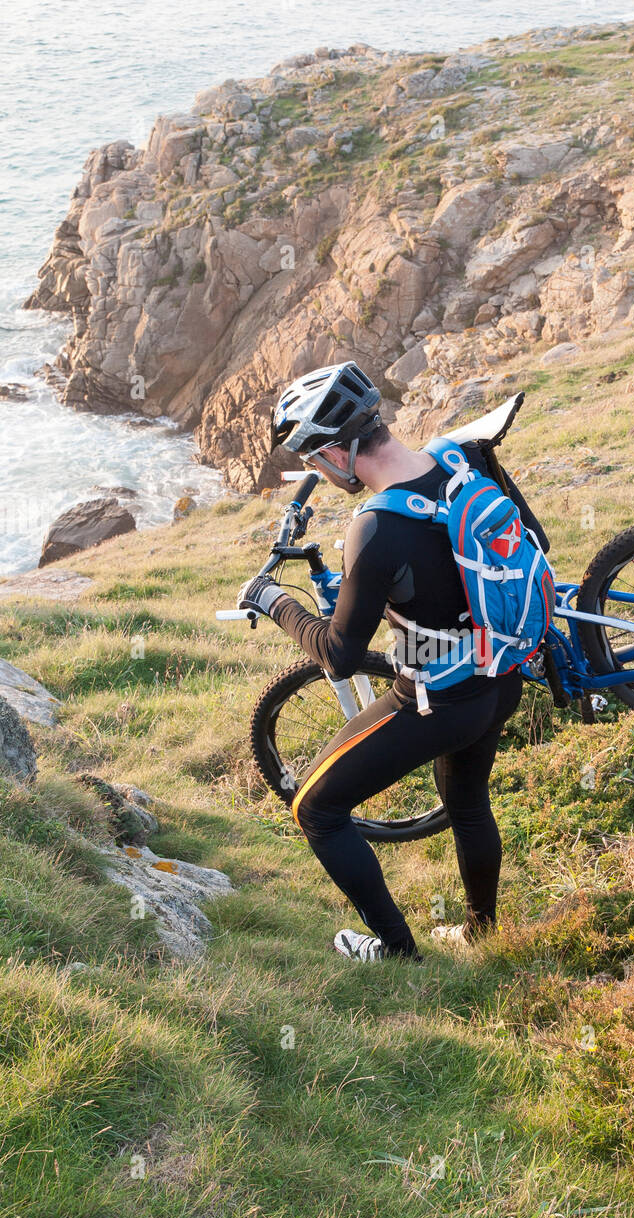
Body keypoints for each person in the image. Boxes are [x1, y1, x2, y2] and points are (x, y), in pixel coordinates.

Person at [237, 361, 549, 964]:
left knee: (315, 808)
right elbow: (524, 545)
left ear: (336, 452)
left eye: (313, 460)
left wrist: (274, 602)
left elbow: (338, 655)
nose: (317, 472)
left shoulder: (377, 526)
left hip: (437, 701)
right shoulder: (463, 459)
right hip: (502, 678)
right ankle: (481, 932)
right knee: (467, 801)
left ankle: (397, 951)